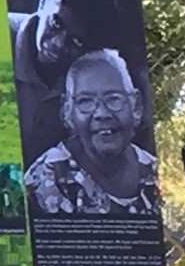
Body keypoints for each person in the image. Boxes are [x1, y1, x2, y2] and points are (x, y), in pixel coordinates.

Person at [23, 51, 162, 216]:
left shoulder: (155, 171)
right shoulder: (48, 177)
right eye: (85, 101)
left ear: (136, 106)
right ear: (68, 111)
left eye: (114, 98)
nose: (102, 113)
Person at [9, 0, 124, 161]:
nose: (58, 44)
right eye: (56, 23)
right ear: (43, 2)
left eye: (76, 41)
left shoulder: (97, 73)